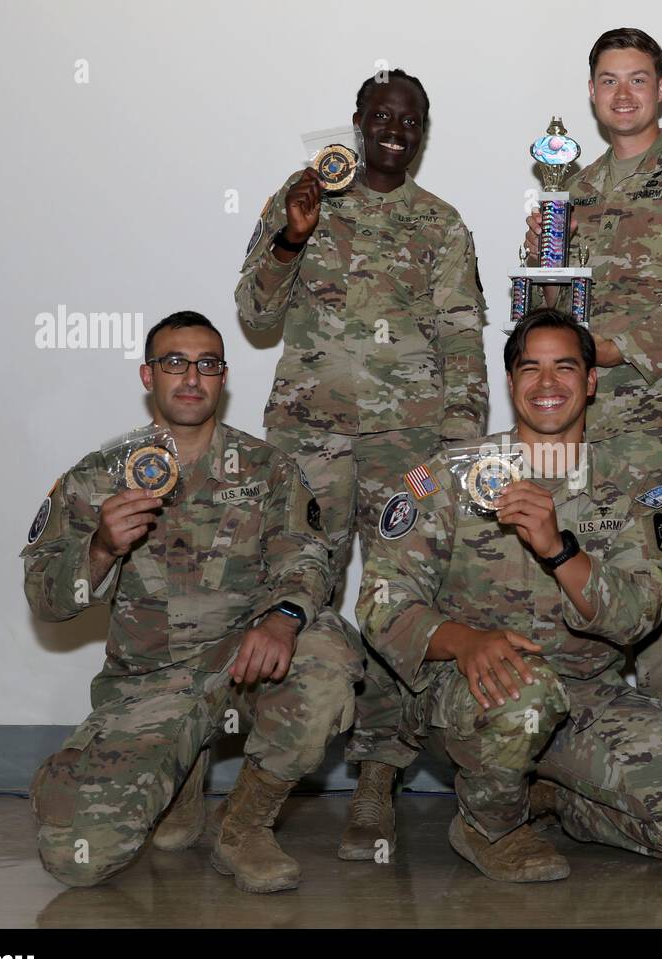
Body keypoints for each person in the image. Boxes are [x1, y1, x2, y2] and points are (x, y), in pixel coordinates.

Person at [356, 308, 662, 882]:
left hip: (588, 696)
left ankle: (562, 800)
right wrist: (463, 643)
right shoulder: (448, 475)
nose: (546, 384)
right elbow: (381, 598)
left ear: (591, 382)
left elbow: (641, 615)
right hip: (475, 691)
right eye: (529, 369)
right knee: (528, 700)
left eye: (565, 368)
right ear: (511, 381)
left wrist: (561, 551)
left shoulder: (636, 489)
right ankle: (491, 827)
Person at [234, 70, 488, 860]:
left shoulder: (440, 224)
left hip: (405, 449)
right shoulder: (305, 193)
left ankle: (378, 777)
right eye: (381, 116)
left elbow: (462, 345)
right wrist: (292, 237)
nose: (393, 130)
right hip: (307, 438)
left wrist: (457, 454)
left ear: (422, 133)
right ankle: (251, 787)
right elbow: (253, 311)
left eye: (409, 121)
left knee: (396, 603)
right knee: (284, 589)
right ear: (356, 121)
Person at [22, 311, 362, 893]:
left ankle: (245, 825)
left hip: (245, 663)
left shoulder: (267, 469)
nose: (190, 377)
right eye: (174, 363)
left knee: (325, 660)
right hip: (149, 682)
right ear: (147, 375)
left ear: (222, 377)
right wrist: (100, 548)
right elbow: (46, 599)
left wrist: (282, 619)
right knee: (76, 861)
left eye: (207, 364)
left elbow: (309, 557)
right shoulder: (98, 476)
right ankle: (177, 771)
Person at [523, 27, 662, 744]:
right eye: (609, 81)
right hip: (577, 423)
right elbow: (554, 309)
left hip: (661, 417)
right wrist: (541, 268)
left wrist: (622, 348)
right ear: (591, 94)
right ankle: (578, 762)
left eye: (638, 79)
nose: (624, 94)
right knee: (576, 578)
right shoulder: (572, 188)